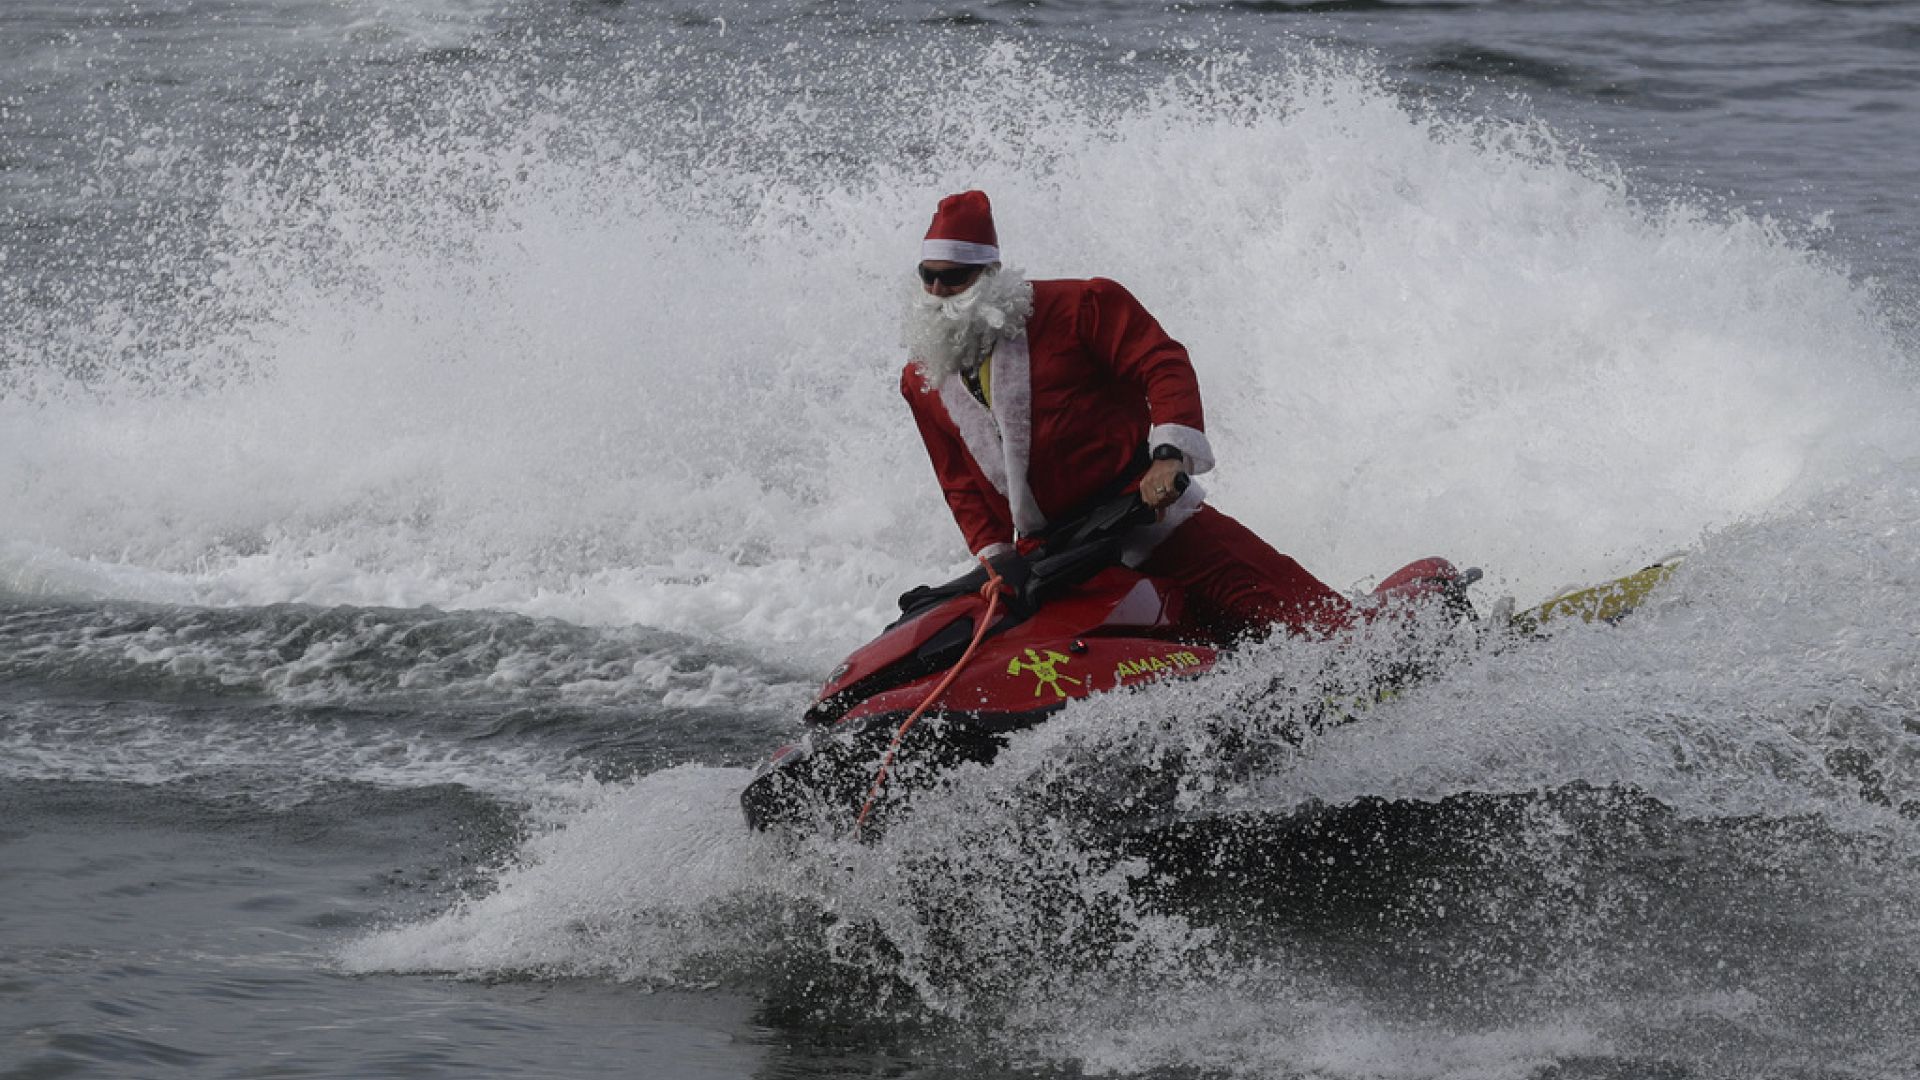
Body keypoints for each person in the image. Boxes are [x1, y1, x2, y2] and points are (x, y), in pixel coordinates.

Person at [898, 189, 1358, 640]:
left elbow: (1162, 364)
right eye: (928, 276)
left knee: (1315, 622)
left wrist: (1169, 456)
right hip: (1056, 561)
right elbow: (959, 483)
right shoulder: (922, 380)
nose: (937, 292)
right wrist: (996, 560)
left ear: (990, 273)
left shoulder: (1080, 306)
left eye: (954, 278)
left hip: (1148, 517)